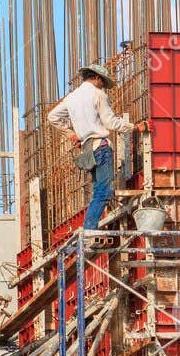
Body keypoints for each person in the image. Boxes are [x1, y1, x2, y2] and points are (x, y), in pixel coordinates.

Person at [46, 62, 138, 233]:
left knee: (98, 191)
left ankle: (90, 227)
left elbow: (52, 116)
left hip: (88, 150)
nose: (103, 86)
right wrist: (135, 127)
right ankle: (89, 229)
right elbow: (110, 122)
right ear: (96, 78)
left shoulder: (72, 97)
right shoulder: (98, 94)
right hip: (101, 147)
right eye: (103, 81)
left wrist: (71, 134)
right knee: (104, 191)